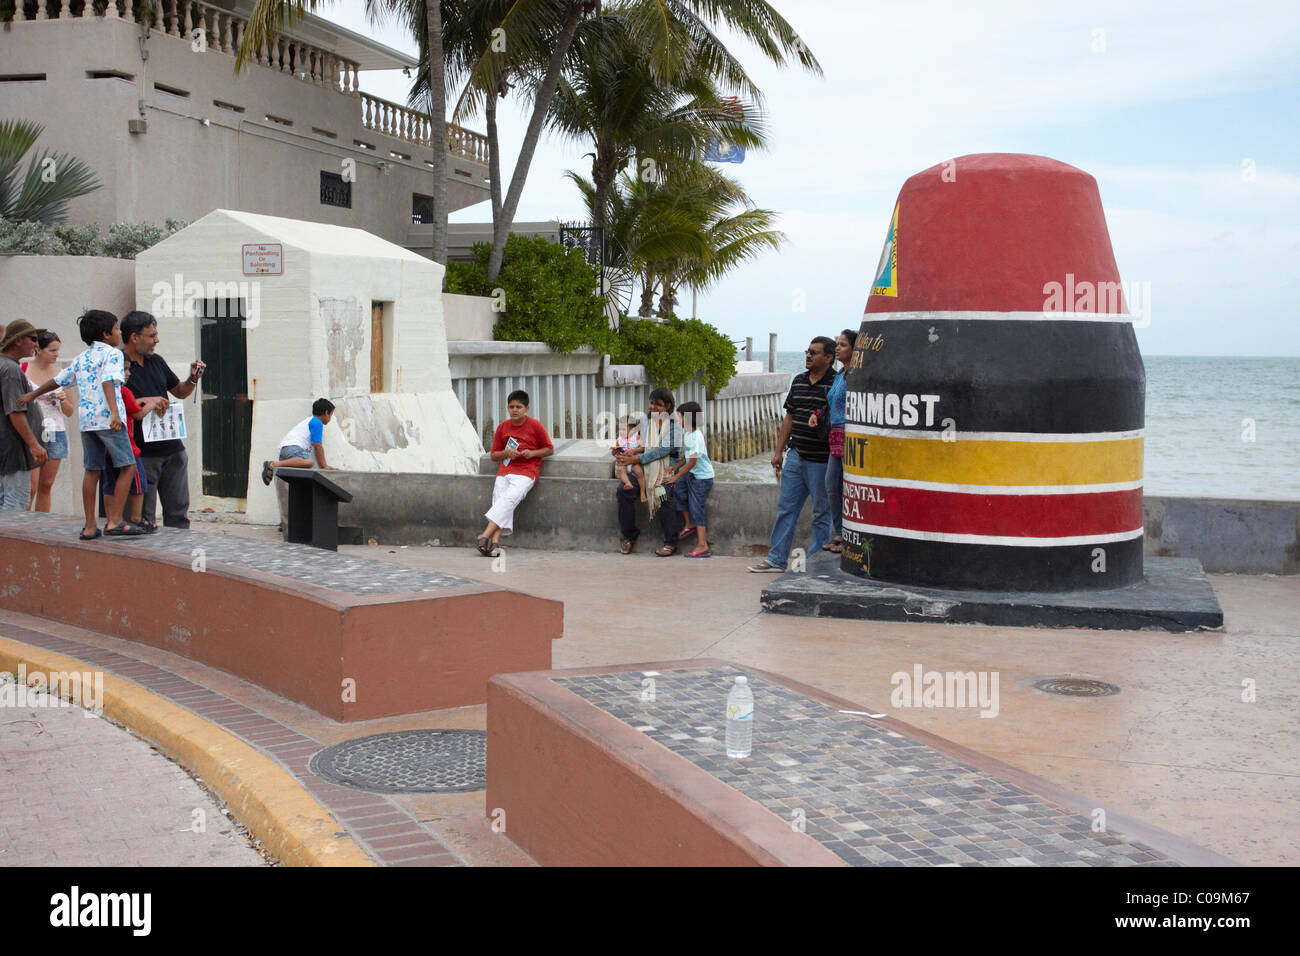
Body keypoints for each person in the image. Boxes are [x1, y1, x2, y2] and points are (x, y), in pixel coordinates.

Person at [22, 310, 142, 538]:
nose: (119, 332)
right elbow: (108, 380)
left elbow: (57, 381)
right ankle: (115, 521)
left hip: (87, 421)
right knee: (128, 466)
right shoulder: (113, 354)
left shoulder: (81, 358)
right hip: (108, 418)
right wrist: (115, 413)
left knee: (92, 469)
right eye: (116, 329)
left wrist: (31, 394)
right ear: (106, 334)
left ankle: (89, 526)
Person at [747, 336, 836, 572]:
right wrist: (778, 452)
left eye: (814, 353)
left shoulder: (836, 383)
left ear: (829, 357)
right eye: (807, 351)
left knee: (821, 513)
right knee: (786, 509)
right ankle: (776, 559)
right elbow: (789, 417)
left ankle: (817, 563)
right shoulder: (798, 381)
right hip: (796, 456)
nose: (808, 356)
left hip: (822, 461)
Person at [120, 311, 205, 530]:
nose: (156, 340)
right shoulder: (118, 365)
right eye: (151, 335)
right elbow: (114, 403)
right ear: (134, 337)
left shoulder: (156, 361)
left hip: (173, 448)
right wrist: (144, 401)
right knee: (144, 520)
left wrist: (193, 377)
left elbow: (180, 391)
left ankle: (179, 559)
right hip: (142, 452)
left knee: (178, 516)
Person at [476, 390, 553, 556]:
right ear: (507, 408)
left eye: (519, 407)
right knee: (500, 501)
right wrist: (507, 453)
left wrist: (532, 453)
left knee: (510, 498)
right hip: (505, 470)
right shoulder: (502, 427)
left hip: (527, 471)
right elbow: (494, 455)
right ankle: (496, 543)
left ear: (527, 408)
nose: (515, 410)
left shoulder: (535, 426)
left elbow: (549, 449)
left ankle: (484, 535)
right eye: (511, 407)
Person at [615, 387, 683, 556]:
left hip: (666, 468)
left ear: (668, 406)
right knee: (623, 491)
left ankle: (671, 542)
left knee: (664, 494)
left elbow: (662, 450)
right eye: (651, 403)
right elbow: (644, 445)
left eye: (658, 405)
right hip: (646, 468)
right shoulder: (646, 421)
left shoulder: (675, 427)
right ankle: (629, 535)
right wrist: (628, 452)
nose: (653, 407)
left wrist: (636, 459)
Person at [810, 329, 857, 553]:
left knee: (850, 488)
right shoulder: (839, 376)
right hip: (835, 437)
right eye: (837, 344)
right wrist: (817, 415)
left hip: (851, 437)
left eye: (844, 345)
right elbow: (830, 404)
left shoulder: (857, 376)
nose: (838, 348)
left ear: (855, 349)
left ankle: (849, 537)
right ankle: (839, 533)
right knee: (832, 486)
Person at [21, 331, 75, 513]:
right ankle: (23, 524)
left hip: (55, 430)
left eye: (57, 350)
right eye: (52, 350)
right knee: (31, 486)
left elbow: (69, 411)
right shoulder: (23, 369)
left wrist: (63, 400)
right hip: (32, 430)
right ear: (38, 349)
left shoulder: (62, 374)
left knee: (47, 484)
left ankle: (42, 524)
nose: (56, 354)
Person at [102, 379, 163, 532]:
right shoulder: (123, 390)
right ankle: (136, 519)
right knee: (138, 482)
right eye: (125, 369)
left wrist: (139, 400)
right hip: (127, 446)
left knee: (109, 484)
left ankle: (110, 520)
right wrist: (152, 403)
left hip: (107, 445)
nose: (128, 373)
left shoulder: (100, 389)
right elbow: (138, 414)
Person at [1, 321, 49, 511]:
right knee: (15, 508)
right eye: (33, 339)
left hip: (7, 449)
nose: (36, 345)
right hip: (13, 450)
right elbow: (14, 411)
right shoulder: (11, 370)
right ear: (18, 340)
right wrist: (33, 444)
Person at [663, 400, 714, 558]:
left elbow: (693, 461)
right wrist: (675, 467)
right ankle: (689, 523)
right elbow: (686, 458)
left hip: (701, 478)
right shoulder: (688, 434)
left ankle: (702, 545)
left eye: (680, 416)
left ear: (688, 418)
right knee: (678, 490)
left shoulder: (695, 437)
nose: (679, 419)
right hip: (690, 474)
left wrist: (676, 476)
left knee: (697, 506)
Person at [262, 398, 337, 484]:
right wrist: (325, 466)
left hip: (285, 449)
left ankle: (272, 469)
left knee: (297, 474)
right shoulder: (317, 422)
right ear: (326, 412)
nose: (330, 418)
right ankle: (273, 465)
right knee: (309, 463)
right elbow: (318, 446)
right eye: (331, 414)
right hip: (293, 448)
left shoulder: (309, 420)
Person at [612, 415, 646, 502]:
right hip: (623, 462)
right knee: (621, 470)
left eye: (623, 429)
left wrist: (633, 450)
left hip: (634, 461)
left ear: (633, 429)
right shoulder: (619, 440)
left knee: (639, 473)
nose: (621, 432)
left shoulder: (636, 437)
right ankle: (628, 483)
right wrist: (614, 450)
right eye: (619, 429)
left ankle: (642, 493)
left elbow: (642, 448)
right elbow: (614, 453)